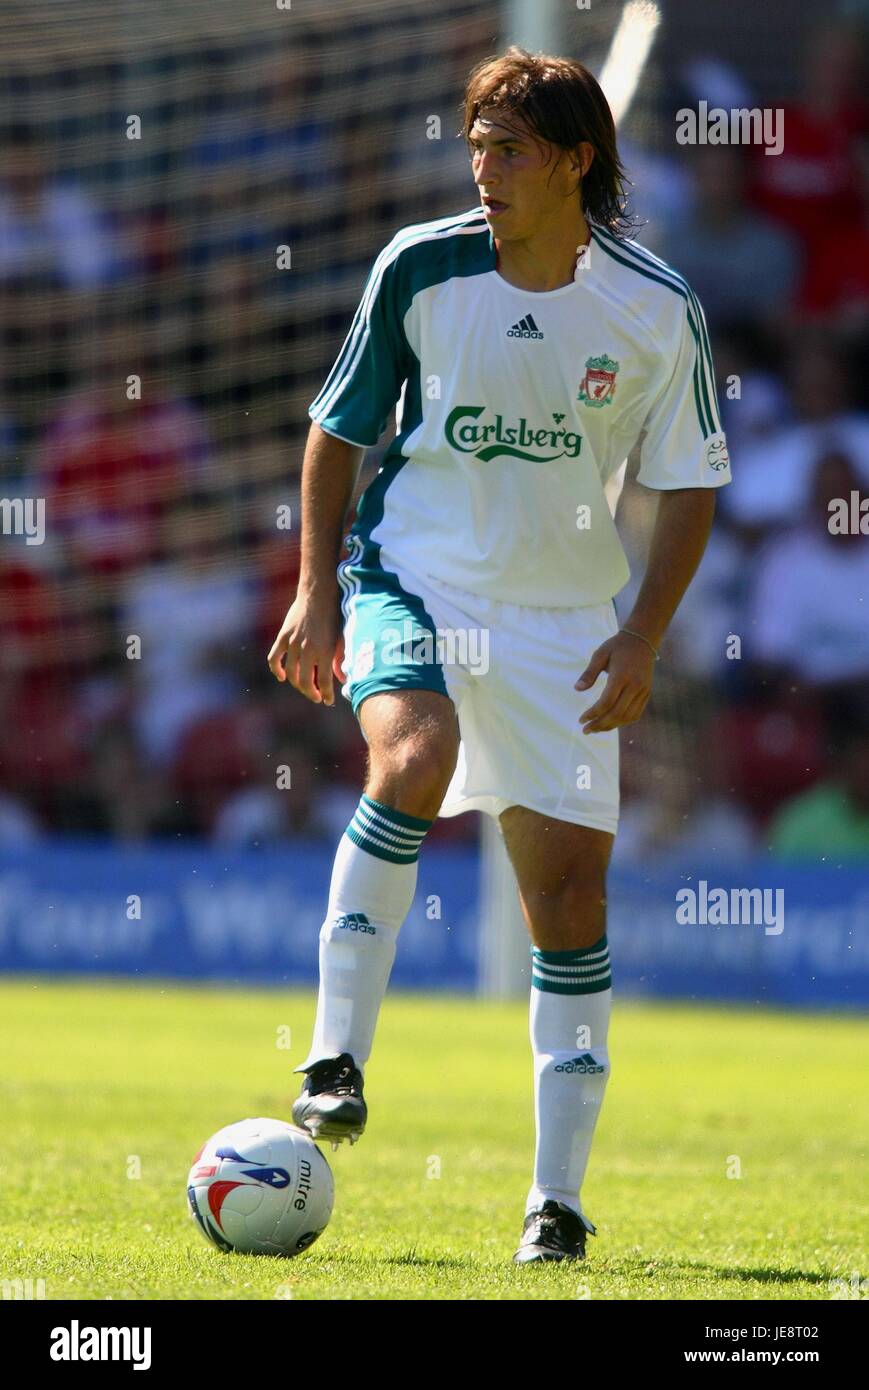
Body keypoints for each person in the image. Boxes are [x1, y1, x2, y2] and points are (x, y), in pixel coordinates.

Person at [268, 48, 731, 1264]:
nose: (482, 170)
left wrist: (639, 635)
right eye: (473, 146)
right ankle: (332, 1057)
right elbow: (334, 434)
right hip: (415, 571)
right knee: (412, 756)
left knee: (566, 903)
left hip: (564, 625)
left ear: (576, 160)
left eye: (508, 149)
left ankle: (556, 1207)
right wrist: (315, 590)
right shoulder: (420, 268)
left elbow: (688, 485)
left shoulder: (652, 307)